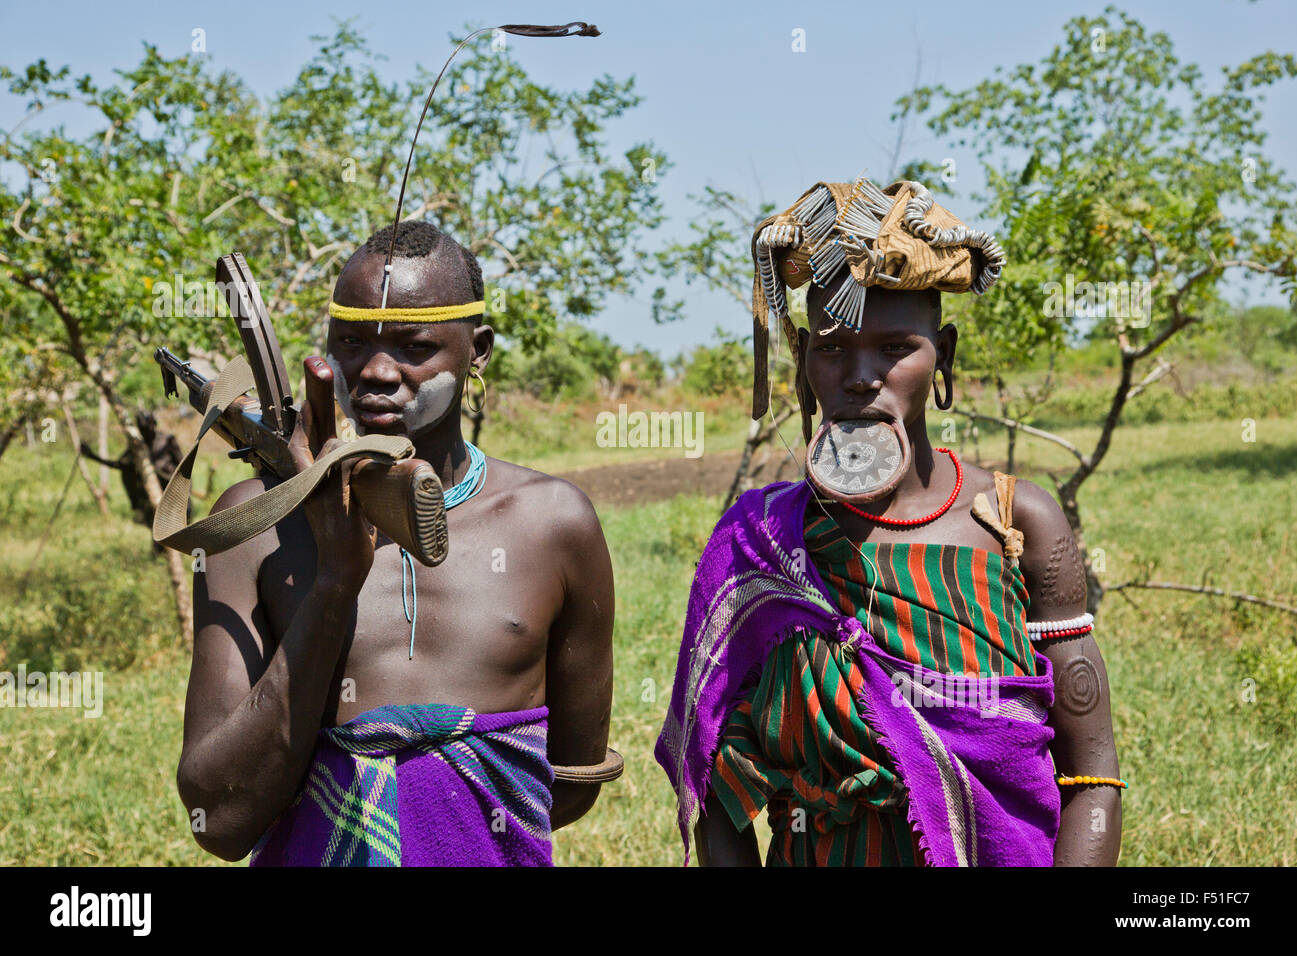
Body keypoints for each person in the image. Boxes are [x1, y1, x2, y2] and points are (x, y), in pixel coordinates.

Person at [656, 176, 1122, 866]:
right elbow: (716, 796)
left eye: (896, 347)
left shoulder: (1015, 520)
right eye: (833, 348)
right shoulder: (759, 541)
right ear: (804, 364)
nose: (861, 376)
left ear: (945, 358)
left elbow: (1093, 780)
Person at [177, 220, 615, 866]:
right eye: (351, 342)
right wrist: (332, 582)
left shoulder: (554, 524)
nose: (376, 371)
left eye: (413, 346)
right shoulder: (254, 524)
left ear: (479, 349)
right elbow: (215, 818)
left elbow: (568, 782)